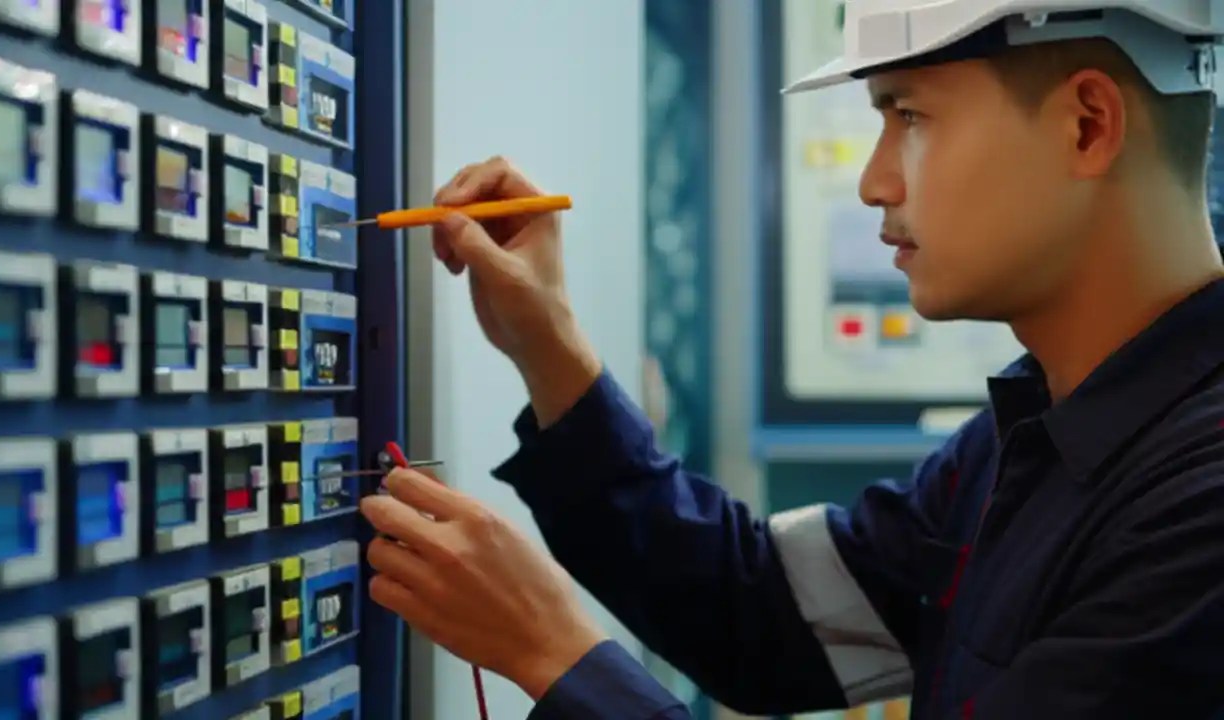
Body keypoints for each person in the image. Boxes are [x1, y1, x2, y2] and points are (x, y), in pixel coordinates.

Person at [359, 1, 1224, 717]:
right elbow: (763, 612)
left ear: (1088, 124)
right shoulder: (1028, 441)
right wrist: (549, 348)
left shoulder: (1197, 516)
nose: (874, 181)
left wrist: (557, 654)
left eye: (911, 116)